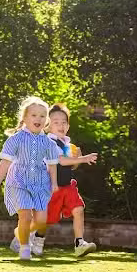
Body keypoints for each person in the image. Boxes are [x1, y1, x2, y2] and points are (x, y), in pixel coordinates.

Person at [0, 96, 59, 260]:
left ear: (46, 120)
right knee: (25, 216)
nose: (38, 119)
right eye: (34, 115)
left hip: (40, 182)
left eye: (42, 116)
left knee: (41, 221)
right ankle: (24, 247)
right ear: (25, 118)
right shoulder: (16, 139)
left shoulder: (49, 143)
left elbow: (52, 165)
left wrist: (54, 183)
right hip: (18, 181)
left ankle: (20, 231)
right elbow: (5, 161)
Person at [44, 103, 98, 256]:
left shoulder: (67, 144)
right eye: (56, 122)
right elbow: (61, 161)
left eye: (64, 122)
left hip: (67, 186)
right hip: (51, 187)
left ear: (68, 126)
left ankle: (79, 243)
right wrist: (83, 158)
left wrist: (77, 159)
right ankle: (23, 237)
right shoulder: (49, 143)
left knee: (78, 209)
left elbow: (71, 166)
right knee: (46, 219)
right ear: (48, 126)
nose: (61, 125)